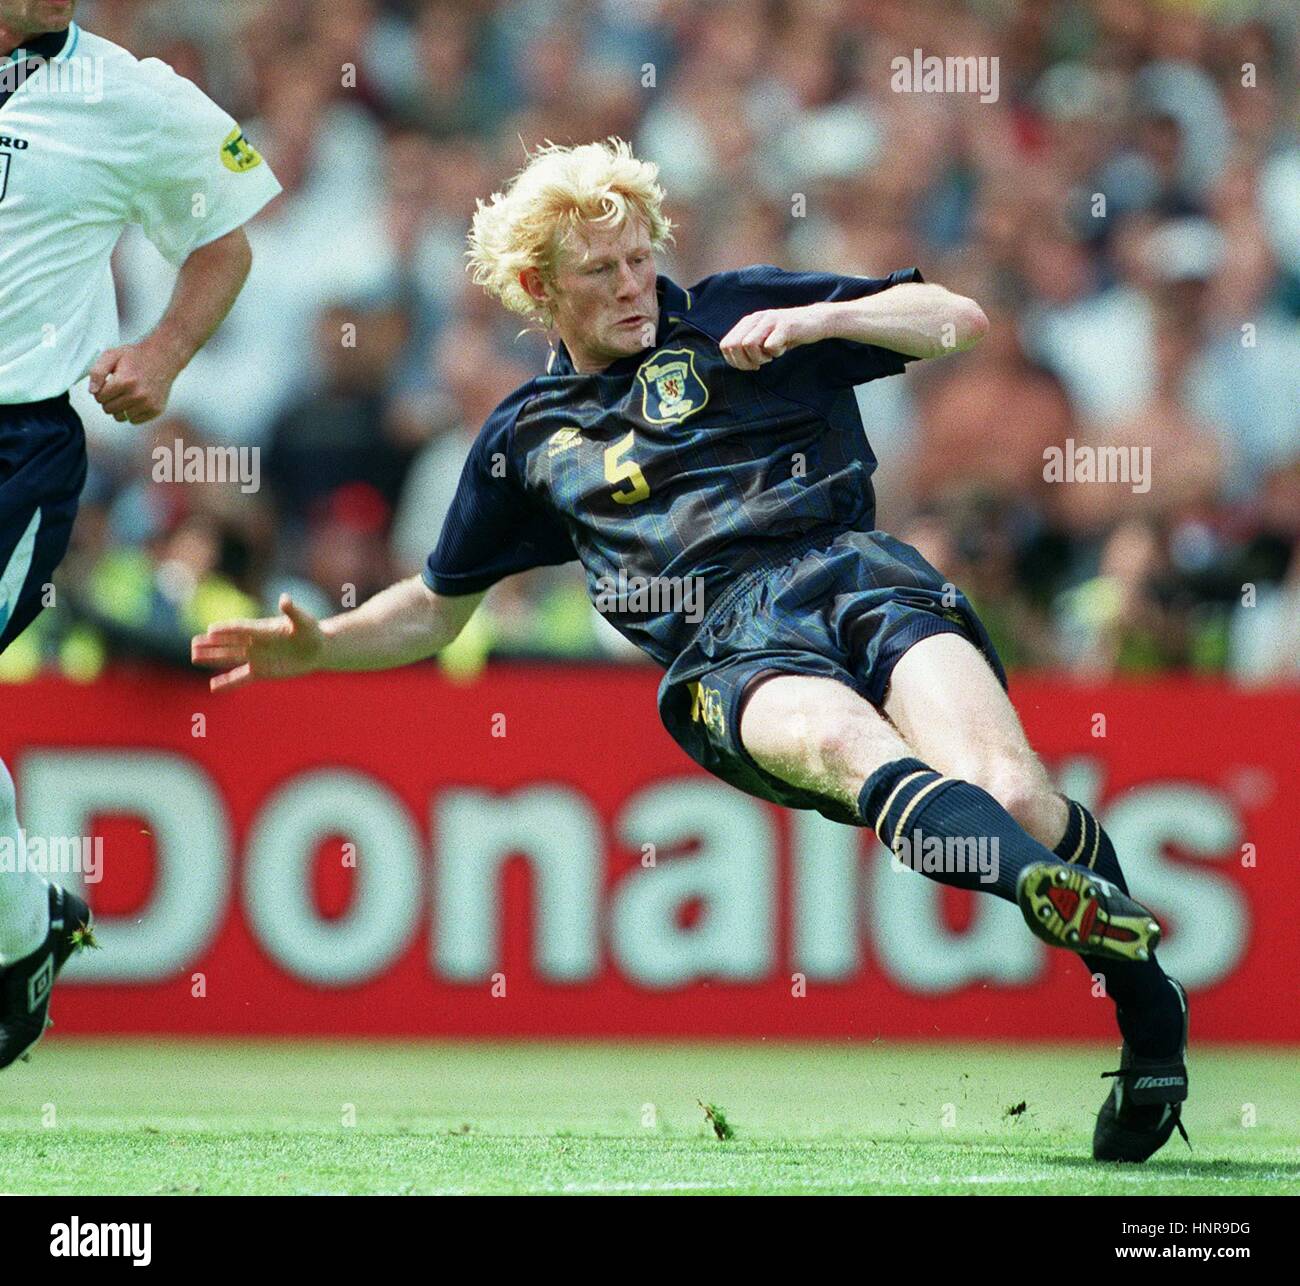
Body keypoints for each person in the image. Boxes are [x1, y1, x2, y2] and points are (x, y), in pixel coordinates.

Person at [192, 138, 1188, 1161]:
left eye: (637, 256)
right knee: (849, 747)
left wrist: (822, 318)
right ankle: (1046, 891)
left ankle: (1146, 1011)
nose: (632, 284)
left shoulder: (735, 304)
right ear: (539, 289)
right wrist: (320, 645)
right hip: (730, 651)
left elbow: (958, 322)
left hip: (855, 572)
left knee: (1013, 796)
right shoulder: (526, 440)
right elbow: (437, 608)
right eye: (600, 271)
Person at [0, 0, 280, 1068]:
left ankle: (23, 931)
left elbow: (223, 239)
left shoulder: (129, 92)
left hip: (15, 444)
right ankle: (25, 930)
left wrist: (160, 353)